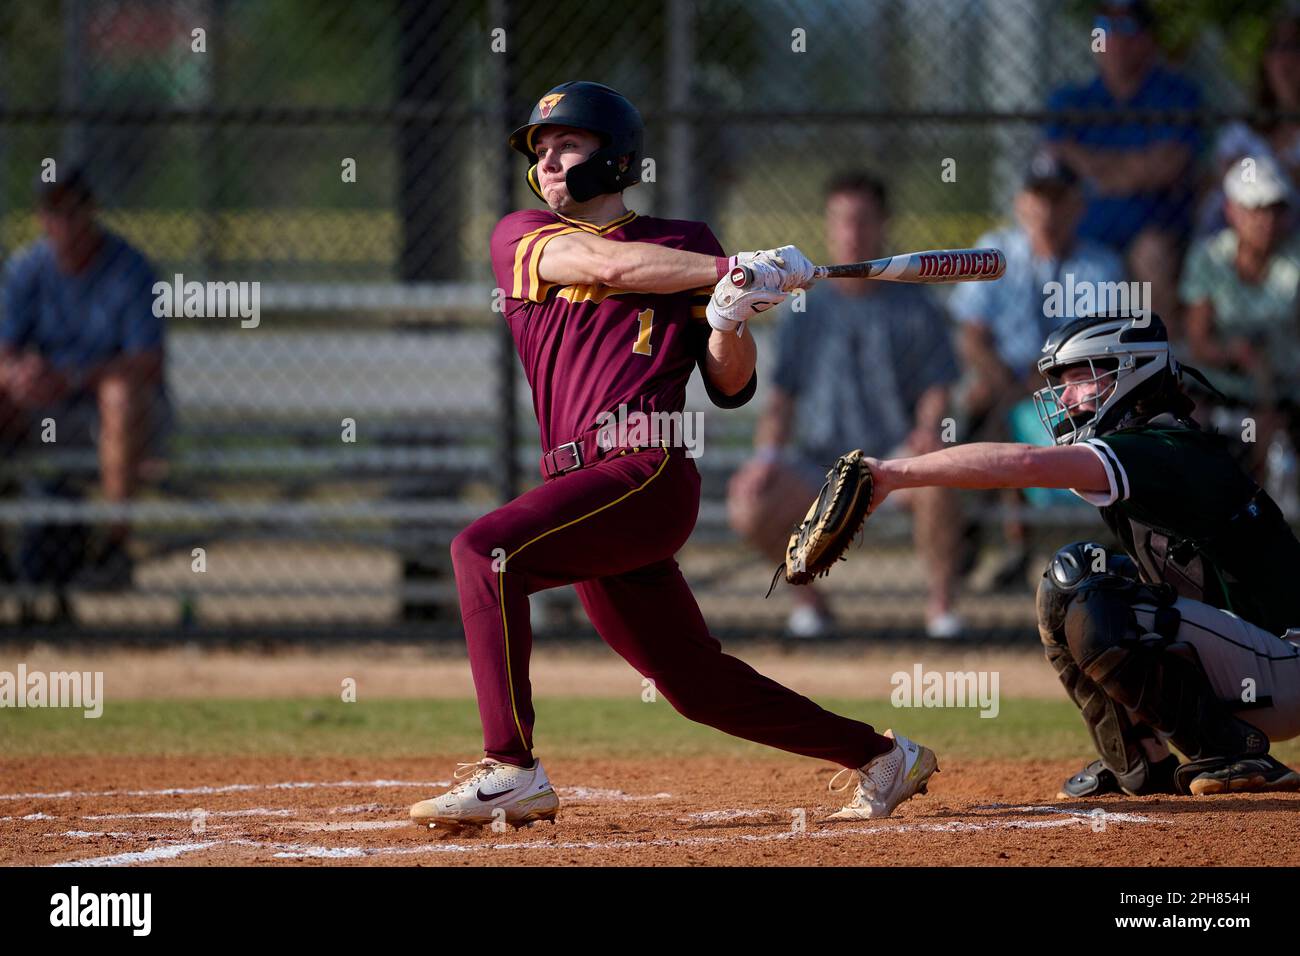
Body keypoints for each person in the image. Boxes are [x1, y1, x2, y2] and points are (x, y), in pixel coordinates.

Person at [407, 82, 938, 831]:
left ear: (615, 155)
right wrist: (730, 273)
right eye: (543, 149)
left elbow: (731, 381)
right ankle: (883, 757)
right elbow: (608, 265)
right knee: (692, 682)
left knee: (484, 552)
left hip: (644, 469)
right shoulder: (524, 234)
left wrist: (729, 317)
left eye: (568, 144)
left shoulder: (687, 243)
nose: (551, 159)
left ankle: (512, 768)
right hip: (579, 481)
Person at [848, 312, 1300, 798]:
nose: (1064, 398)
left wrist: (892, 473)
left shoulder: (1166, 444)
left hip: (1284, 666)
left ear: (1133, 370)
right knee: (1068, 582)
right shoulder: (1153, 441)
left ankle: (1232, 750)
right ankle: (1138, 762)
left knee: (1090, 591)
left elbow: (1023, 463)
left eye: (1080, 378)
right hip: (1248, 661)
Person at [727, 171, 963, 640]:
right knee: (749, 504)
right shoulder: (803, 309)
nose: (851, 233)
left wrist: (927, 431)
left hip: (894, 461)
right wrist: (766, 458)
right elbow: (780, 398)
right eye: (841, 221)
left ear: (883, 226)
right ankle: (811, 605)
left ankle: (942, 613)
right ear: (829, 227)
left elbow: (938, 387)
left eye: (862, 221)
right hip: (820, 466)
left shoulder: (917, 306)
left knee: (939, 476)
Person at [951, 148, 1125, 588]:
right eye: (1037, 196)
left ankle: (1063, 545)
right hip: (1000, 380)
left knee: (1082, 407)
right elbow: (971, 334)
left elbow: (1100, 349)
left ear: (1077, 206)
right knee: (975, 407)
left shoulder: (1100, 266)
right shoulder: (993, 251)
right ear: (1020, 203)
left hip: (1065, 383)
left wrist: (1043, 380)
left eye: (1058, 198)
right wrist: (1003, 380)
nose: (1047, 209)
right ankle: (970, 543)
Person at [0, 166, 168, 593]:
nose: (64, 225)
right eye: (53, 212)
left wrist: (72, 378)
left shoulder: (130, 269)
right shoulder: (25, 268)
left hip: (110, 417)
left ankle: (113, 549)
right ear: (40, 218)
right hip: (43, 413)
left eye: (73, 212)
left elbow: (147, 363)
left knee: (120, 396)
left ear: (92, 212)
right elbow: (4, 351)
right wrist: (19, 375)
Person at [1044, 0, 1202, 330]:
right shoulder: (1072, 99)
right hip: (1085, 233)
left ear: (1148, 39)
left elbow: (1168, 165)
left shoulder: (1176, 94)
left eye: (1126, 27)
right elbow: (1055, 155)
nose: (1113, 38)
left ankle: (1161, 371)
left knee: (1153, 256)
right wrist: (1135, 169)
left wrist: (1092, 166)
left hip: (1148, 233)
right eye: (1103, 26)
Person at [1181, 154, 1300, 479]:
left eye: (1276, 208)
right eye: (1256, 208)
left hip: (1287, 391)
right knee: (1186, 425)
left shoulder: (1297, 258)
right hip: (1225, 389)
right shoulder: (1209, 258)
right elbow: (1199, 342)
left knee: (1268, 432)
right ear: (1231, 210)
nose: (1267, 219)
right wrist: (1235, 353)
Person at [1199, 9, 1300, 238]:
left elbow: (1240, 172)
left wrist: (1250, 167)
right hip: (1232, 241)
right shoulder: (1242, 128)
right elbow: (1223, 179)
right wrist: (1286, 173)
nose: (1285, 60)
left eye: (1294, 47)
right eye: (1276, 48)